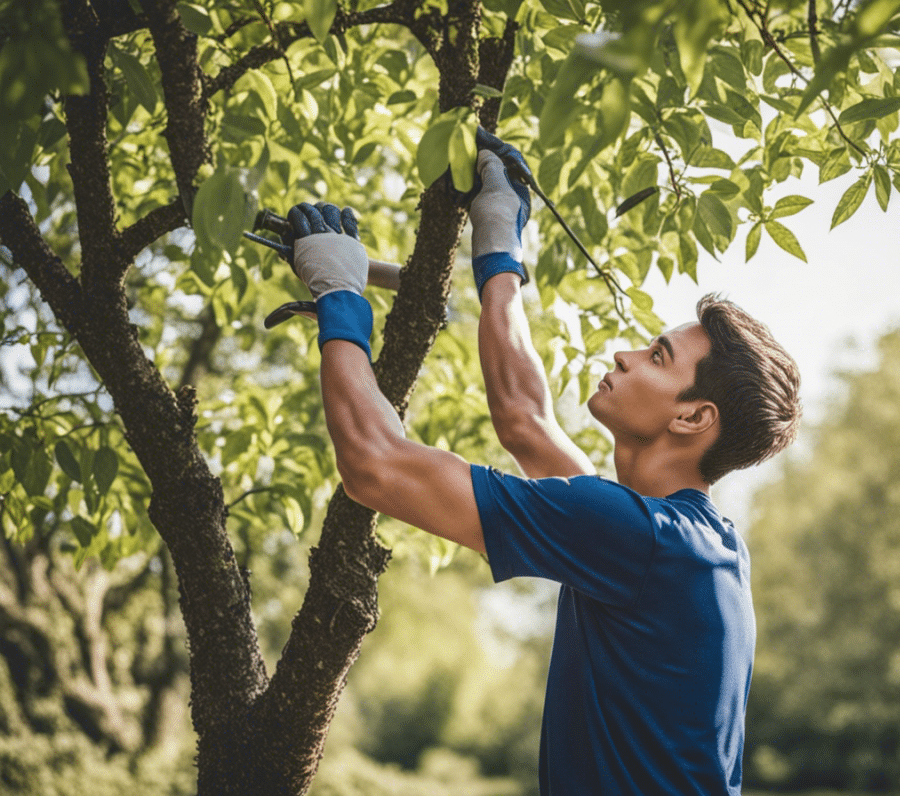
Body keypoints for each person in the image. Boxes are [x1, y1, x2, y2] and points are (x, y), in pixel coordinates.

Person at [284, 134, 802, 795]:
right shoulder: (689, 541)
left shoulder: (637, 536)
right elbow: (524, 422)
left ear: (693, 418)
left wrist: (340, 299)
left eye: (657, 357)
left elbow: (374, 465)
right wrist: (500, 240)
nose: (622, 355)